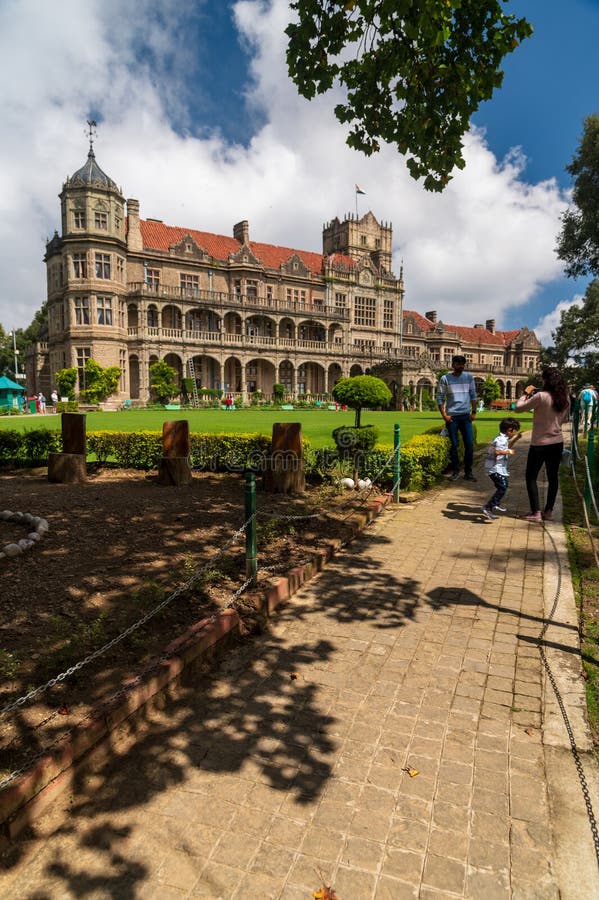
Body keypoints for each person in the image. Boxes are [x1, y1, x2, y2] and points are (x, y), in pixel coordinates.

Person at [515, 367, 570, 523]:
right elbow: (563, 420)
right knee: (553, 477)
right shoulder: (565, 398)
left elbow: (518, 408)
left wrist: (525, 394)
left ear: (547, 381)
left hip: (540, 443)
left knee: (531, 476)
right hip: (557, 442)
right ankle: (548, 511)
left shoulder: (541, 396)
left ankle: (535, 511)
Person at [437, 355, 478, 481]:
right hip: (452, 416)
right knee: (454, 445)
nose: (460, 366)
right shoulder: (445, 378)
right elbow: (440, 397)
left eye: (462, 364)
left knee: (469, 445)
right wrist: (444, 415)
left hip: (465, 415)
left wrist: (474, 412)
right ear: (452, 364)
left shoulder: (469, 377)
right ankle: (455, 471)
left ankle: (468, 472)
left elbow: (473, 395)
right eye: (458, 363)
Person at [481, 418, 522, 521]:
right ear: (509, 430)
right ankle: (488, 507)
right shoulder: (500, 439)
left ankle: (496, 503)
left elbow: (507, 447)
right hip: (494, 468)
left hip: (499, 468)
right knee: (502, 487)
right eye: (515, 431)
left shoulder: (503, 439)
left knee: (504, 485)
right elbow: (497, 452)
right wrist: (508, 452)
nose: (514, 433)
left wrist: (516, 439)